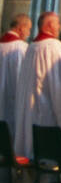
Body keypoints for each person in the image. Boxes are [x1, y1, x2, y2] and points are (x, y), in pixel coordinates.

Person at [14, 10, 61, 159]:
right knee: (47, 159)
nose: (60, 26)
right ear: (49, 25)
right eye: (57, 23)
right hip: (46, 113)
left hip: (29, 110)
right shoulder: (54, 47)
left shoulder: (31, 47)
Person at [0, 14, 31, 144]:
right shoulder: (21, 48)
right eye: (28, 29)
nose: (29, 33)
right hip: (14, 99)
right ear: (21, 28)